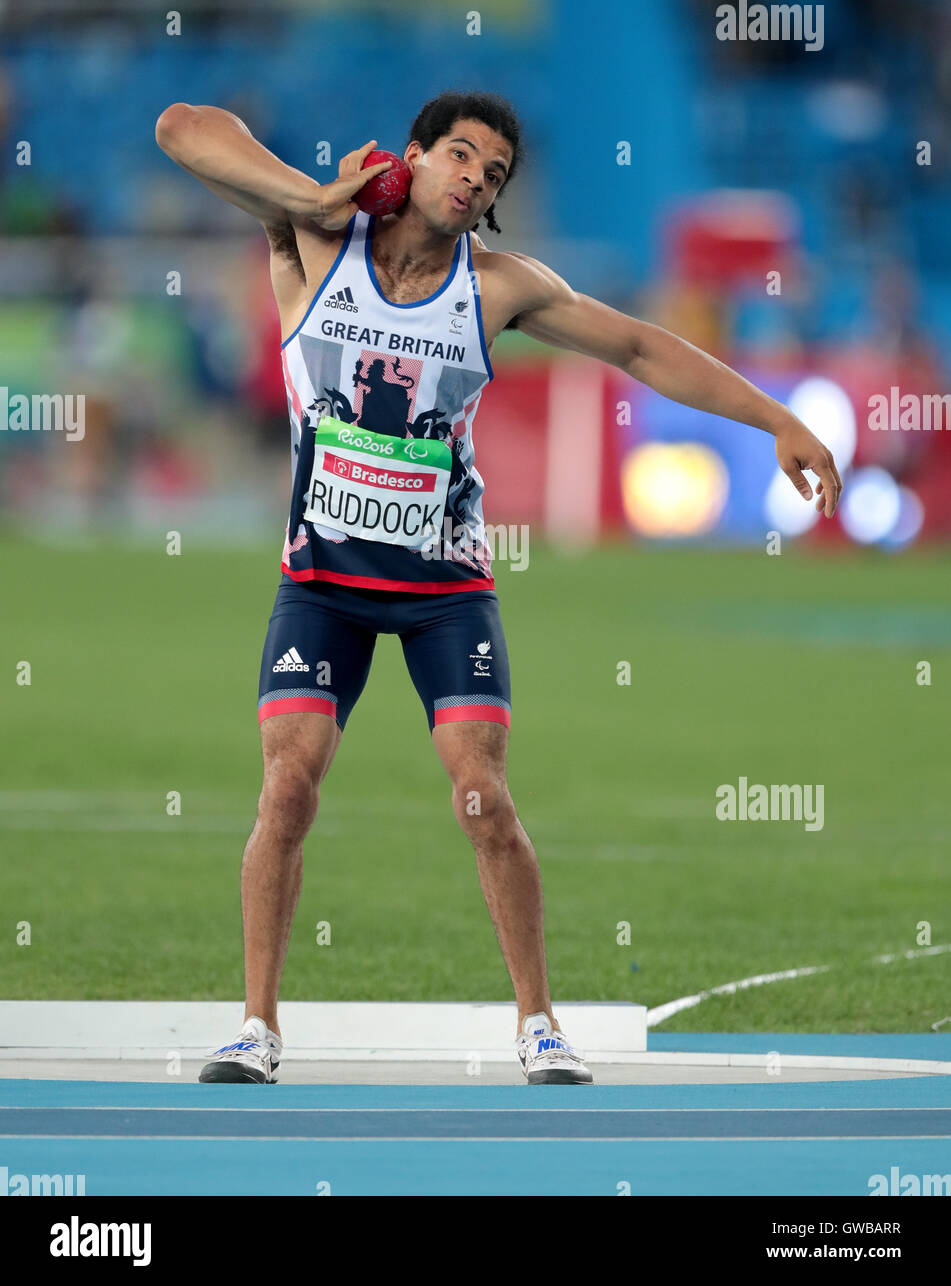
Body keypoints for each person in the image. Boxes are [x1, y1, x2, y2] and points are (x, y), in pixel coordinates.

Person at [155, 89, 842, 1086]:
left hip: (445, 588)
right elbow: (181, 127)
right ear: (414, 157)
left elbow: (642, 346)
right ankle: (256, 1025)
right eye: (462, 156)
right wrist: (319, 191)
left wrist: (777, 415)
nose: (476, 180)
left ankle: (540, 1024)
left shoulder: (501, 288)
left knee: (482, 796)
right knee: (288, 783)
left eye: (495, 174)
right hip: (323, 582)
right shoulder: (312, 235)